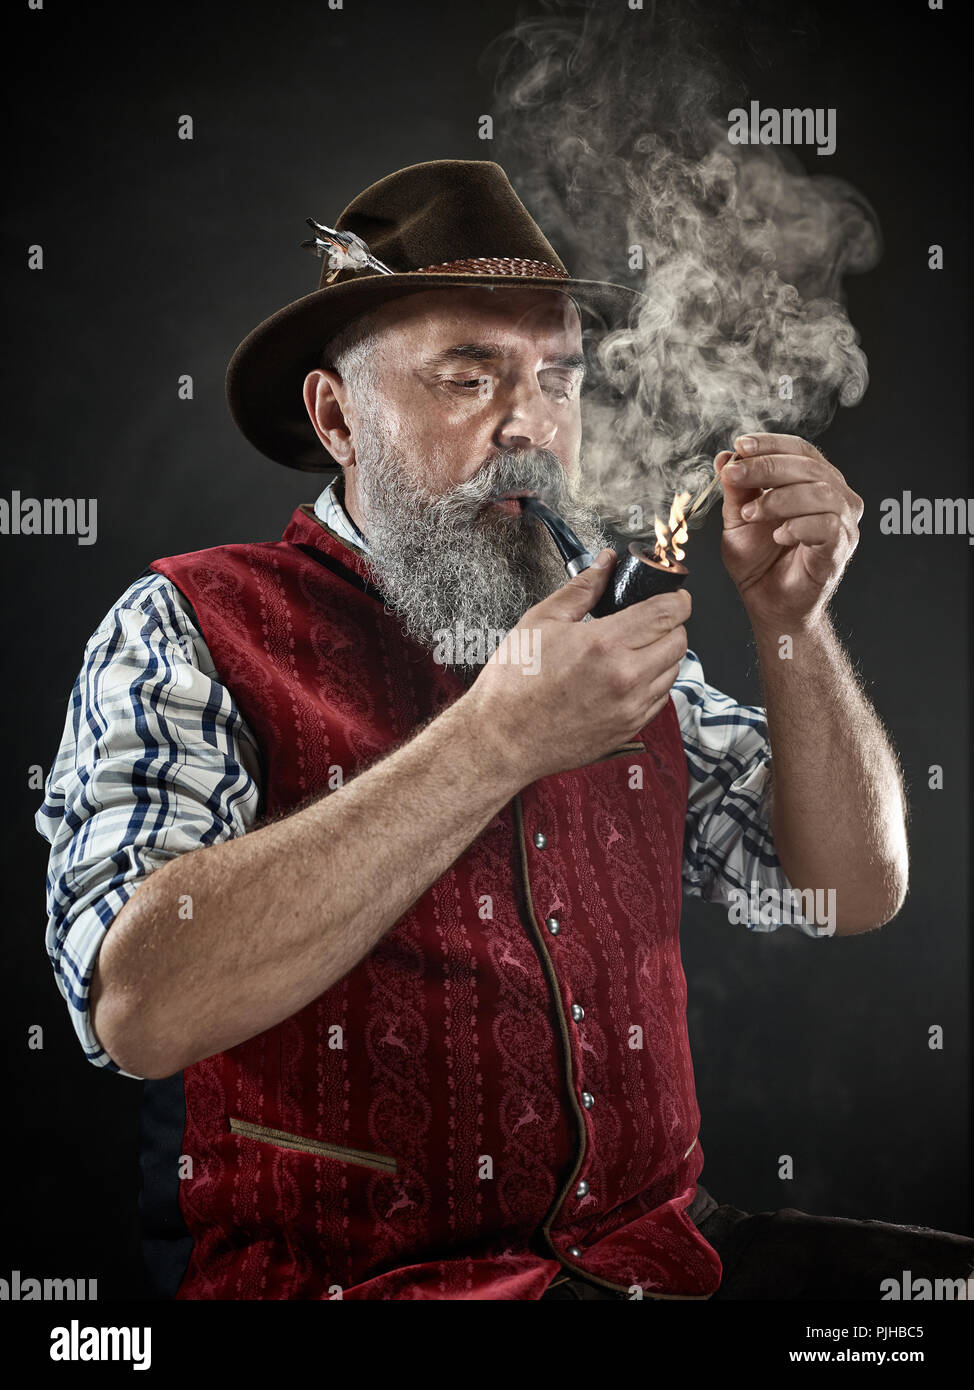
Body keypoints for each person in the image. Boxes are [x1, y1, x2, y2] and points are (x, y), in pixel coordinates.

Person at [35, 159, 972, 1301]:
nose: (527, 426)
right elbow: (137, 1005)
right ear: (336, 414)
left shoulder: (596, 618)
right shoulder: (186, 625)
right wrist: (493, 742)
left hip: (663, 1255)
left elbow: (852, 887)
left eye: (558, 381)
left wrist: (793, 623)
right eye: (467, 378)